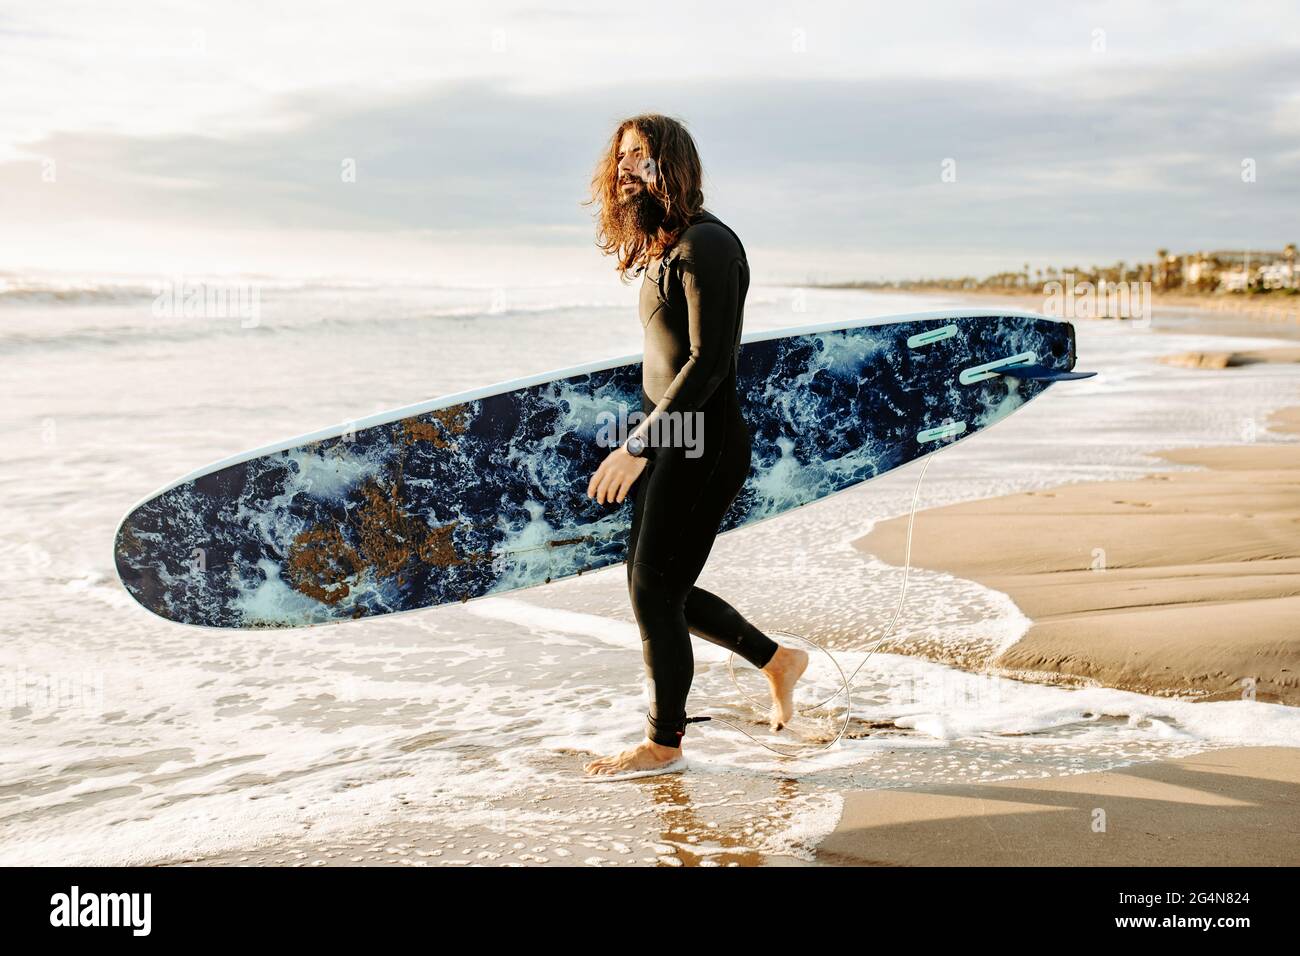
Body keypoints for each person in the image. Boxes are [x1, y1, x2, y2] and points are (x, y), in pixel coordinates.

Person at [581, 114, 808, 776]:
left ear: (672, 166)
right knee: (656, 587)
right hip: (673, 437)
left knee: (655, 591)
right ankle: (778, 661)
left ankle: (662, 745)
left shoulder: (706, 245)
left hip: (702, 443)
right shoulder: (663, 249)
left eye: (643, 157)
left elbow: (711, 363)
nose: (628, 169)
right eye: (622, 157)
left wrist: (637, 447)